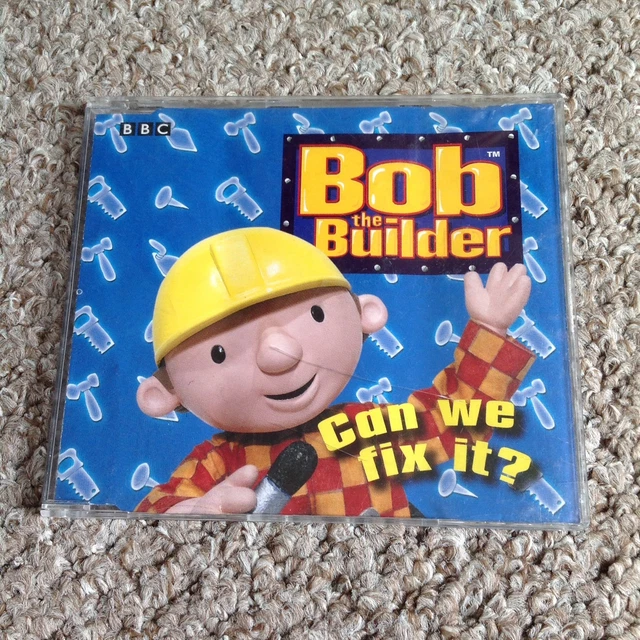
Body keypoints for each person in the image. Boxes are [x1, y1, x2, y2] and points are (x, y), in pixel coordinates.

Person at [136, 227, 534, 516]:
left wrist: (490, 330)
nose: (280, 355)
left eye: (315, 314)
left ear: (366, 314)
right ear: (163, 394)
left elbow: (457, 418)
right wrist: (192, 516)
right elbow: (155, 510)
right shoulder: (221, 460)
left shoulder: (367, 429)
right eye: (220, 352)